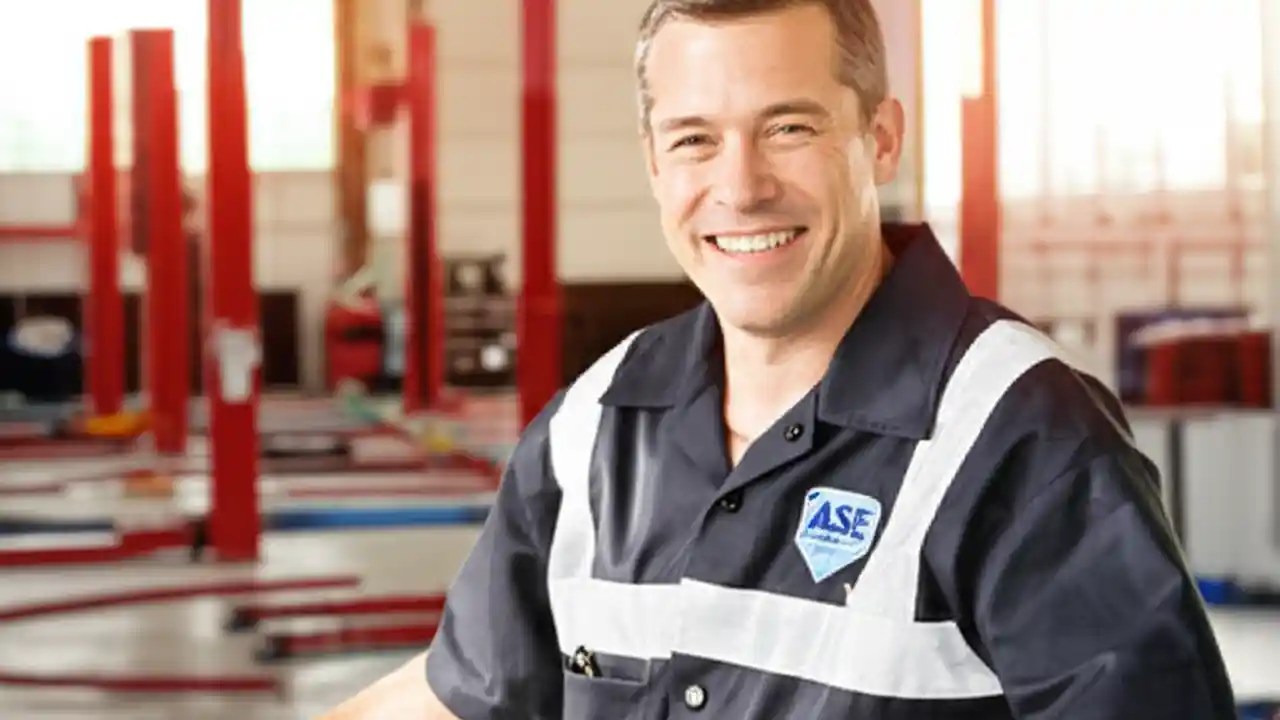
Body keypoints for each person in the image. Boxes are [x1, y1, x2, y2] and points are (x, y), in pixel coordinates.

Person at [321, 1, 1238, 717]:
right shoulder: (592, 429)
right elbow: (463, 694)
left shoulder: (1020, 439)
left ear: (879, 138)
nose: (741, 187)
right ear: (652, 163)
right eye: (695, 140)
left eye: (788, 128)